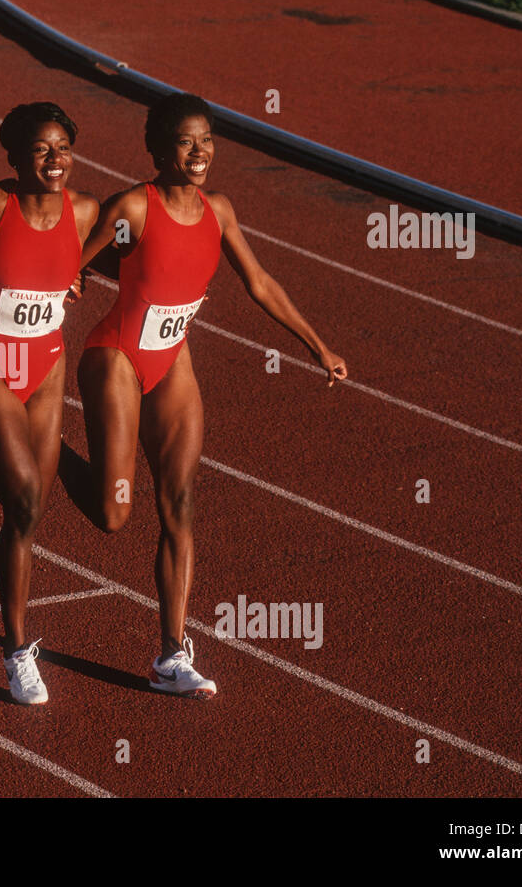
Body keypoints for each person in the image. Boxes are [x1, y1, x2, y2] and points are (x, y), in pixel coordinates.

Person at [69, 92, 348, 698]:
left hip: (172, 362)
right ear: (159, 148)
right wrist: (64, 282)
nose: (199, 154)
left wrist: (316, 345)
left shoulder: (217, 210)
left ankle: (172, 653)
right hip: (115, 357)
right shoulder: (132, 208)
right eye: (186, 142)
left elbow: (261, 282)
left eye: (207, 141)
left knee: (181, 505)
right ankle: (18, 437)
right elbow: (74, 260)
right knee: (113, 516)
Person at [0, 102, 98, 704]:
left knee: (28, 513)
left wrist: (76, 279)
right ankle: (16, 650)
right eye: (40, 149)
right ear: (12, 158)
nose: (55, 160)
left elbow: (82, 262)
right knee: (27, 499)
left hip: (47, 364)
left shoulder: (83, 210)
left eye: (62, 148)